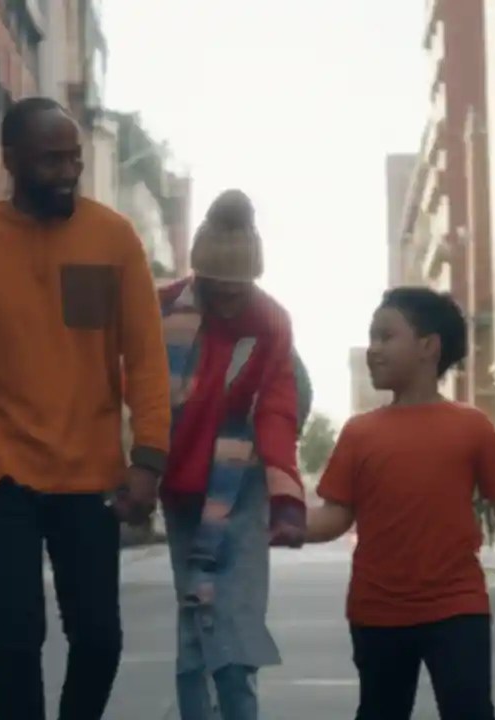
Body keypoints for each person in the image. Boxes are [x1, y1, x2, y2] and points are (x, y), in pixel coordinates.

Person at [0, 96, 172, 719]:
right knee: (18, 640)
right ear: (12, 160)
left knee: (100, 639)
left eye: (73, 158)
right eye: (50, 160)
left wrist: (149, 460)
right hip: (5, 474)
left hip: (91, 473)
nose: (66, 171)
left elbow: (146, 359)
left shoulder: (114, 239)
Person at [305, 287, 495, 720]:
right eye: (371, 338)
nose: (373, 350)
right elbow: (334, 516)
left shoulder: (471, 426)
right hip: (376, 610)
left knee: (470, 711)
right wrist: (275, 522)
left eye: (385, 337)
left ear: (428, 347)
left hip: (457, 606)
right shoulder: (359, 433)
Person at [157, 189, 311, 720]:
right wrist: (129, 468)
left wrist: (284, 490)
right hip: (178, 485)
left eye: (237, 288)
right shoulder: (160, 309)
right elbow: (132, 395)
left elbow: (277, 405)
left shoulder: (270, 321)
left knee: (237, 617)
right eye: (214, 287)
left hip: (239, 485)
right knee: (195, 613)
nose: (226, 299)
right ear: (197, 274)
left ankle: (240, 711)